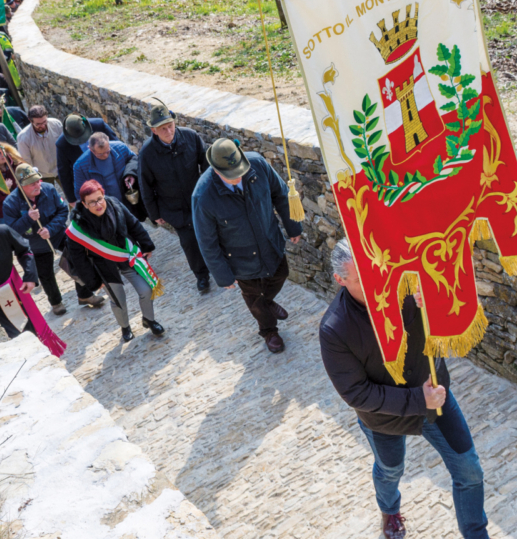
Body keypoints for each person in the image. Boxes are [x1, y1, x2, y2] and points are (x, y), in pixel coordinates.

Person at [320, 239, 487, 539]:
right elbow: (357, 393)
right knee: (390, 471)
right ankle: (389, 509)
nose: (375, 286)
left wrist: (436, 303)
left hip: (435, 396)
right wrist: (417, 400)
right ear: (340, 280)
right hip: (384, 418)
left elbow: (447, 320)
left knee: (469, 471)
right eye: (361, 281)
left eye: (375, 274)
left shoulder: (408, 282)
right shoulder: (334, 328)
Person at [192, 138, 302, 354]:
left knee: (281, 274)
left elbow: (280, 194)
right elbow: (207, 242)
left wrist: (293, 226)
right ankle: (269, 332)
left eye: (239, 171)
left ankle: (267, 302)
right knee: (253, 297)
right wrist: (223, 276)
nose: (237, 178)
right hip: (240, 260)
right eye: (230, 175)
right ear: (215, 170)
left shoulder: (258, 164)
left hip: (270, 242)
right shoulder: (203, 197)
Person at [65, 180, 163, 342]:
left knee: (146, 289)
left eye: (100, 199)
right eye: (92, 202)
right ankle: (125, 327)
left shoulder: (114, 204)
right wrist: (94, 282)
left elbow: (133, 224)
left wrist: (146, 245)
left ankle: (149, 320)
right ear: (84, 204)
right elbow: (78, 259)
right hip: (103, 267)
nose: (98, 204)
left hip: (126, 257)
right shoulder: (77, 227)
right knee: (118, 300)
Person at [2, 163, 103, 315]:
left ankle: (85, 294)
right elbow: (12, 231)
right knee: (46, 274)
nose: (37, 185)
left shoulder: (48, 190)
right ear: (21, 186)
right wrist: (28, 219)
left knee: (79, 259)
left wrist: (51, 228)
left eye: (37, 181)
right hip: (35, 244)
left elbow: (62, 211)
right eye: (32, 184)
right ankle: (56, 303)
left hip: (58, 234)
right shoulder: (10, 204)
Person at [137, 100, 212, 292]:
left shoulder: (191, 137)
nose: (168, 131)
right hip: (174, 209)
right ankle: (202, 276)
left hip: (199, 201)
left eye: (170, 126)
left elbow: (206, 165)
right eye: (162, 129)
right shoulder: (147, 153)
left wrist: (211, 192)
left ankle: (223, 266)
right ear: (153, 131)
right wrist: (154, 213)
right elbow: (145, 185)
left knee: (212, 234)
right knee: (189, 244)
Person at [56, 113, 122, 207]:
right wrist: (71, 199)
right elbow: (64, 173)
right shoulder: (62, 144)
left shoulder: (99, 125)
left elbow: (118, 146)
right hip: (89, 180)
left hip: (111, 173)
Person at [72, 133, 136, 205]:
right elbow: (80, 194)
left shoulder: (121, 148)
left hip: (128, 201)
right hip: (105, 207)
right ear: (90, 149)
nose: (105, 155)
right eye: (100, 154)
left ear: (108, 140)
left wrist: (130, 173)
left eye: (107, 151)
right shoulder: (80, 166)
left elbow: (134, 159)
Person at [16, 105, 63, 187]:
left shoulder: (56, 124)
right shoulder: (23, 138)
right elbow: (27, 162)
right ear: (30, 120)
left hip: (61, 169)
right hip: (42, 176)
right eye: (38, 124)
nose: (43, 126)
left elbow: (65, 146)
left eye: (45, 122)